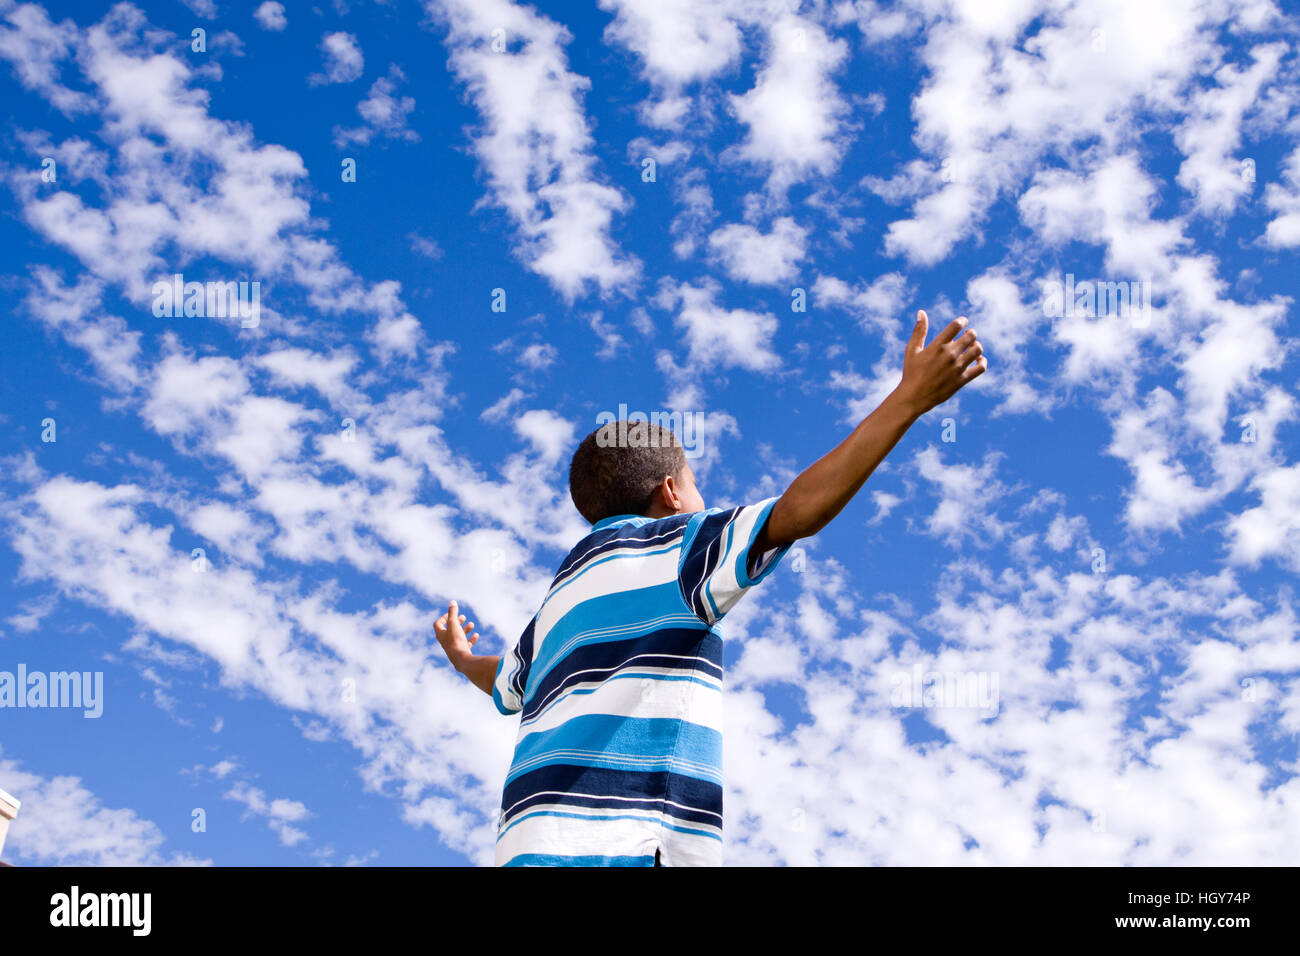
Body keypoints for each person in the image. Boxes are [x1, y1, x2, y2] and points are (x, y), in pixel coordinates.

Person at [435, 310, 986, 865]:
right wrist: (907, 401)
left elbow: (507, 681)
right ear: (672, 492)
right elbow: (797, 511)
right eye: (697, 485)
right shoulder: (674, 547)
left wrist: (462, 658)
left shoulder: (559, 602)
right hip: (627, 844)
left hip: (525, 848)